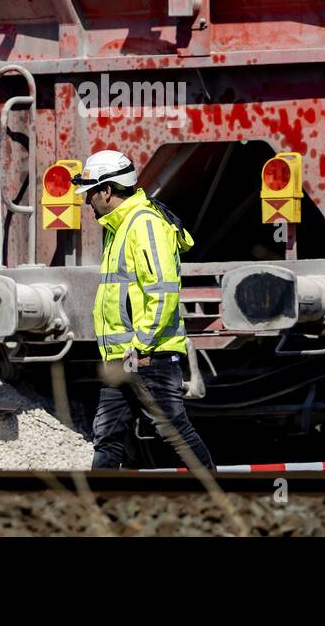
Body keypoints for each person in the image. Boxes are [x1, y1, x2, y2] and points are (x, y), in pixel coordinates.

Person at [75, 149, 215, 471]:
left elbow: (162, 291)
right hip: (125, 359)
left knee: (174, 432)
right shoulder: (119, 227)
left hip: (147, 356)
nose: (87, 202)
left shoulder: (144, 225)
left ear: (106, 191)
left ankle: (217, 498)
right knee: (107, 434)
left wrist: (141, 344)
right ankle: (99, 510)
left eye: (90, 194)